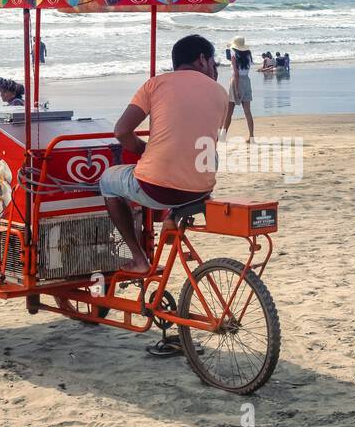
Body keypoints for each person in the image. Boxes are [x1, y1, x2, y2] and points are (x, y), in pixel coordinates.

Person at [100, 34, 227, 274]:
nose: (214, 68)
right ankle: (173, 215)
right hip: (200, 190)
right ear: (202, 59)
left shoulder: (155, 84)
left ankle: (138, 258)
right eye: (214, 62)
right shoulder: (221, 92)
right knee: (208, 153)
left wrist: (141, 148)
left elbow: (121, 131)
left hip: (155, 189)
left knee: (108, 180)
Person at [224, 37, 255, 139]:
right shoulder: (249, 56)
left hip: (236, 82)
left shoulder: (234, 56)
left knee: (229, 112)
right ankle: (251, 136)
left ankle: (223, 136)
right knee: (247, 112)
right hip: (246, 81)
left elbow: (236, 73)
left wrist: (237, 89)